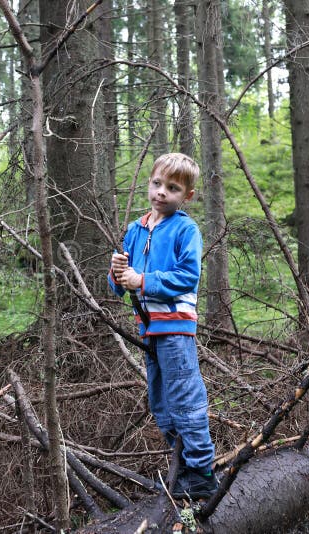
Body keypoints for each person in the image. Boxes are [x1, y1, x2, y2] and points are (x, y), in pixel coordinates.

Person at [108, 152, 217, 499]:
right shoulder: (135, 230)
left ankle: (202, 472)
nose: (161, 193)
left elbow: (188, 276)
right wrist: (116, 273)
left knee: (185, 400)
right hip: (148, 330)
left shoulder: (185, 229)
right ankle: (182, 467)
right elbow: (120, 286)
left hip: (175, 327)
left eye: (172, 188)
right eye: (157, 184)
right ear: (149, 183)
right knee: (160, 403)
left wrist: (143, 280)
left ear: (187, 196)